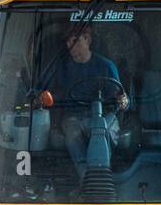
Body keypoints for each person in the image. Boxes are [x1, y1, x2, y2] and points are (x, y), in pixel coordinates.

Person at [43, 23, 128, 179]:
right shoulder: (61, 68)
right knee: (73, 133)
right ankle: (89, 181)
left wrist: (122, 100)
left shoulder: (106, 66)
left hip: (105, 116)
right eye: (68, 42)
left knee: (105, 131)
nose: (71, 46)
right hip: (73, 116)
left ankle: (103, 175)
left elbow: (120, 97)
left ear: (87, 40)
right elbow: (48, 92)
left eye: (75, 40)